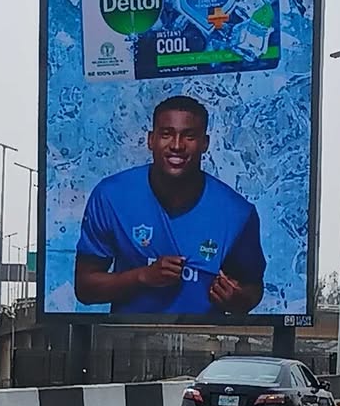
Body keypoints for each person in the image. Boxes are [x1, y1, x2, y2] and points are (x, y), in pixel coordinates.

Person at [74, 95, 266, 316]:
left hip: (206, 343)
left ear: (205, 143)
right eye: (166, 134)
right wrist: (143, 276)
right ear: (150, 140)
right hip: (130, 343)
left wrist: (237, 301)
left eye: (189, 136)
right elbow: (84, 288)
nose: (176, 145)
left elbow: (253, 289)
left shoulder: (237, 213)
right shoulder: (110, 196)